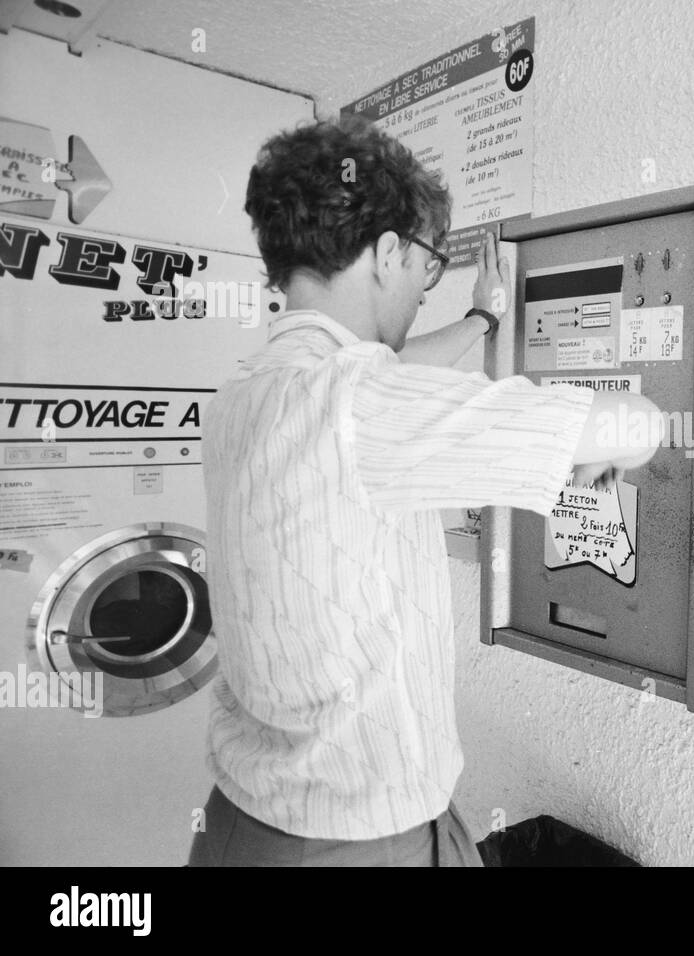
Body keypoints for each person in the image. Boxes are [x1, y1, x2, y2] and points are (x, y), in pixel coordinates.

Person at [187, 115, 659, 866]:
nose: (421, 288)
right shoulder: (356, 407)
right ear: (385, 253)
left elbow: (388, 380)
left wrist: (482, 319)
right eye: (425, 266)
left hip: (245, 825)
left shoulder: (245, 395)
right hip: (355, 845)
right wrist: (634, 430)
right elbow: (631, 425)